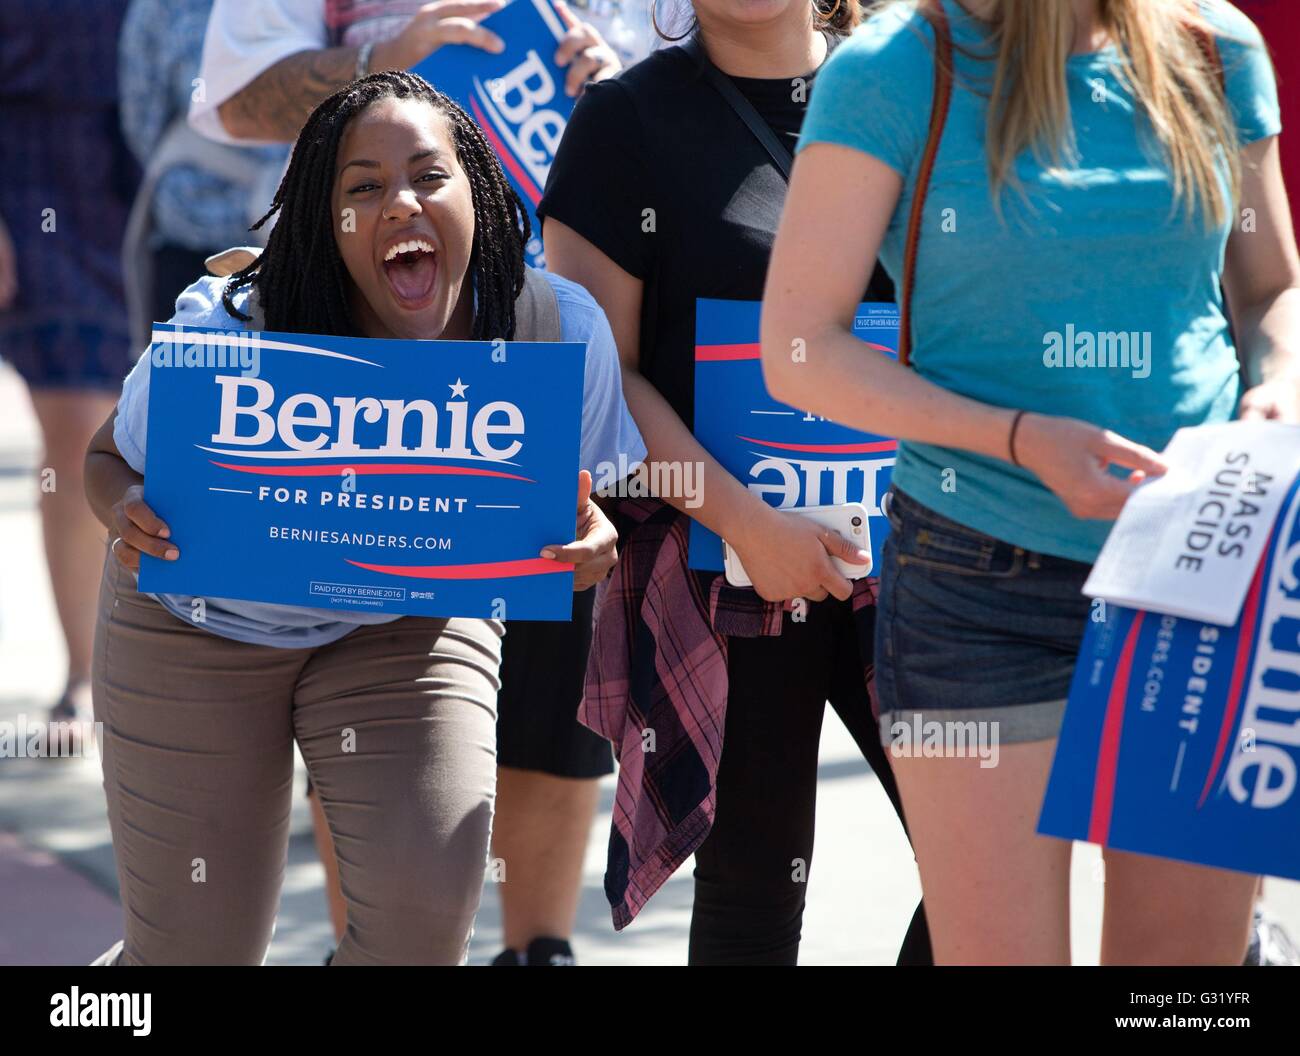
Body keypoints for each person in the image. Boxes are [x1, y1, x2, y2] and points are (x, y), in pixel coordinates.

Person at [761, 0, 1299, 964]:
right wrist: (1017, 437)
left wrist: (1279, 392)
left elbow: (1270, 288)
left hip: (1207, 563)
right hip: (975, 589)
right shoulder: (894, 68)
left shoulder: (1216, 49)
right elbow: (801, 350)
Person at [83, 70, 644, 965]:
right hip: (199, 631)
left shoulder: (553, 330)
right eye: (363, 187)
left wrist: (595, 541)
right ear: (324, 217)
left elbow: (594, 501)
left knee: (422, 930)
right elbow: (104, 456)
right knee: (195, 955)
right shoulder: (234, 331)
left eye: (429, 175)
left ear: (482, 189)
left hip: (404, 625)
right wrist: (124, 512)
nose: (401, 204)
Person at [539, 0, 932, 964]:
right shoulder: (623, 121)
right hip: (727, 565)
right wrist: (750, 524)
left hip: (921, 547)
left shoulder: (910, 88)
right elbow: (603, 379)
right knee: (755, 894)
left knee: (996, 847)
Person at [0, 0, 138, 729]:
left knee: (170, 426)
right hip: (29, 170)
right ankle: (85, 672)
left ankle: (172, 669)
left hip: (155, 164)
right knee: (81, 426)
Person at [117, 0, 289, 347]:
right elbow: (143, 119)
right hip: (189, 239)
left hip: (295, 247)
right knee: (181, 392)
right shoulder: (164, 7)